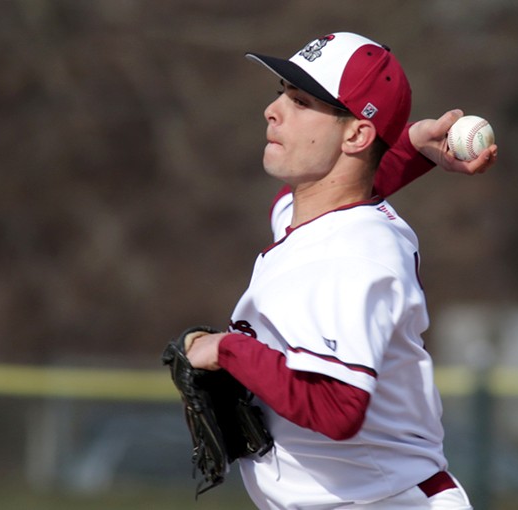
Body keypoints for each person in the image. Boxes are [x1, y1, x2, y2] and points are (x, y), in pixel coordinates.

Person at [186, 32, 497, 509]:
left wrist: (228, 349)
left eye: (301, 100)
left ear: (356, 135)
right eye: (280, 94)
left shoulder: (355, 256)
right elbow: (340, 190)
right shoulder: (307, 218)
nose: (274, 111)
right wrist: (409, 144)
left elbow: (337, 407)